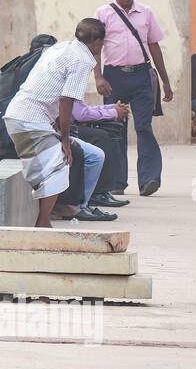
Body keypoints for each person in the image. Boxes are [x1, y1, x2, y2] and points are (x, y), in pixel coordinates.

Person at [4, 19, 116, 226]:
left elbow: (54, 95)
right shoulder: (82, 60)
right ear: (98, 42)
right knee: (60, 164)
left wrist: (59, 132)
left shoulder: (60, 48)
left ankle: (48, 216)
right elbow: (66, 100)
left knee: (51, 167)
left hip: (20, 115)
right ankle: (43, 222)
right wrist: (65, 140)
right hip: (29, 119)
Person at [95, 0, 173, 197]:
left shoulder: (146, 13)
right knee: (115, 129)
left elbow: (154, 46)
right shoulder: (103, 14)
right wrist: (98, 77)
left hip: (141, 76)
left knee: (144, 127)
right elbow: (95, 48)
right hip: (113, 77)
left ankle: (149, 179)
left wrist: (166, 81)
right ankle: (117, 181)